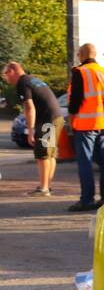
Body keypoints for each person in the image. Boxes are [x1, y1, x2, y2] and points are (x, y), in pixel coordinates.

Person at [66, 42, 104, 212]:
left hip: (86, 124)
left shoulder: (80, 72)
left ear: (81, 54)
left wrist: (70, 121)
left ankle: (87, 199)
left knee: (85, 162)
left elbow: (75, 100)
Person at [2, 60, 64, 196]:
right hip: (56, 117)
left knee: (42, 155)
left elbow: (29, 107)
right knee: (50, 154)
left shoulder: (22, 83)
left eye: (5, 75)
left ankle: (43, 189)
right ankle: (47, 185)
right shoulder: (32, 79)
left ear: (12, 71)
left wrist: (30, 131)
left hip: (47, 120)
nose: (6, 79)